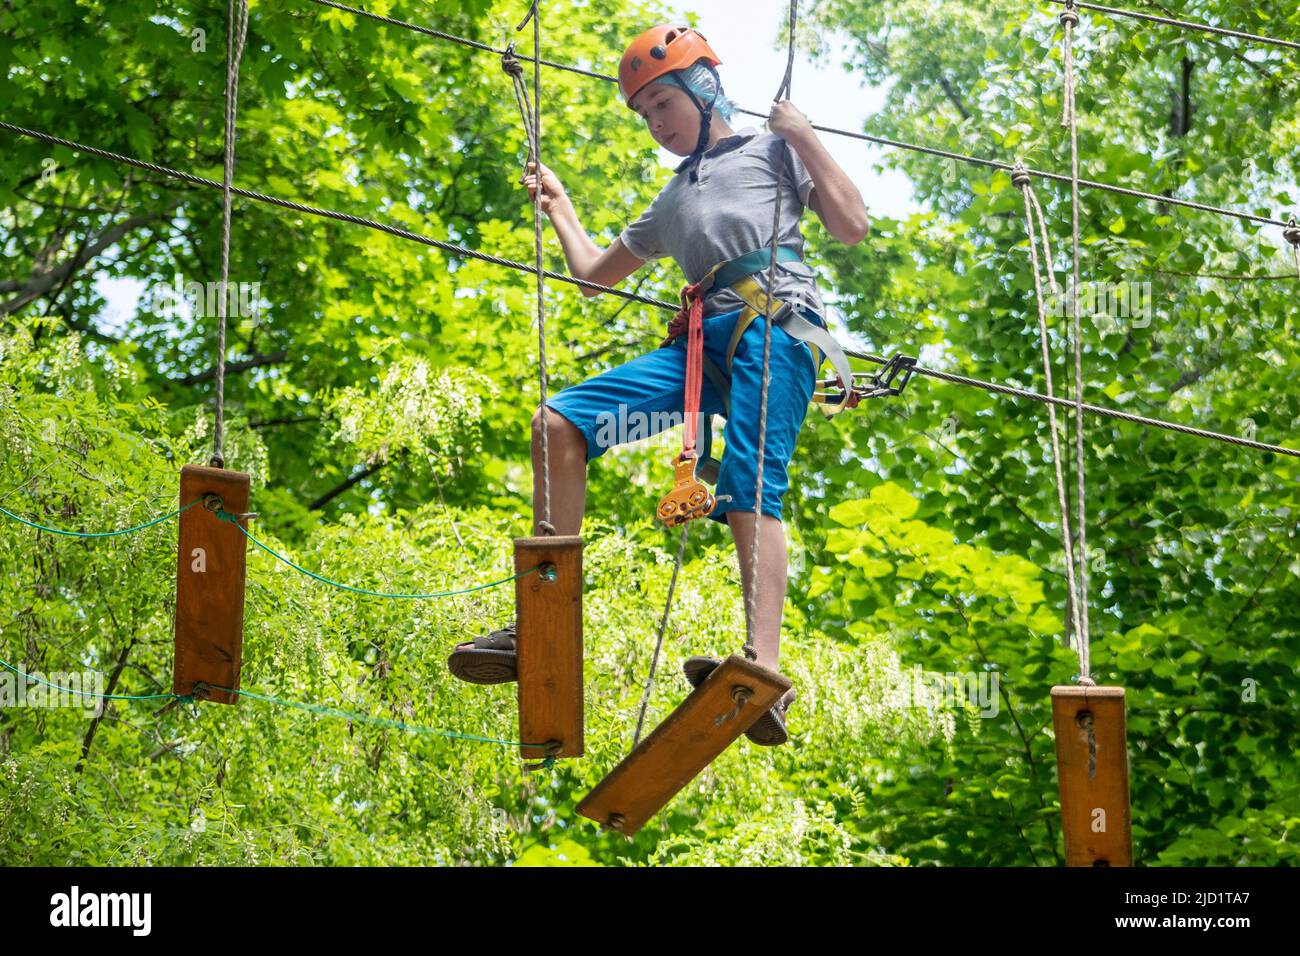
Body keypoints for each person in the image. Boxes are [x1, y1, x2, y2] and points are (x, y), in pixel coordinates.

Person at [448, 24, 870, 746]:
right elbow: (592, 276)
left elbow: (852, 224)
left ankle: (763, 670)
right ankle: (545, 616)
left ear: (705, 89)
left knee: (750, 480)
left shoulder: (770, 150)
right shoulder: (671, 202)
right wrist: (558, 205)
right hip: (703, 351)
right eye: (644, 116)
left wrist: (801, 135)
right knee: (559, 424)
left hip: (777, 326)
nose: (657, 126)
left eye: (664, 106)